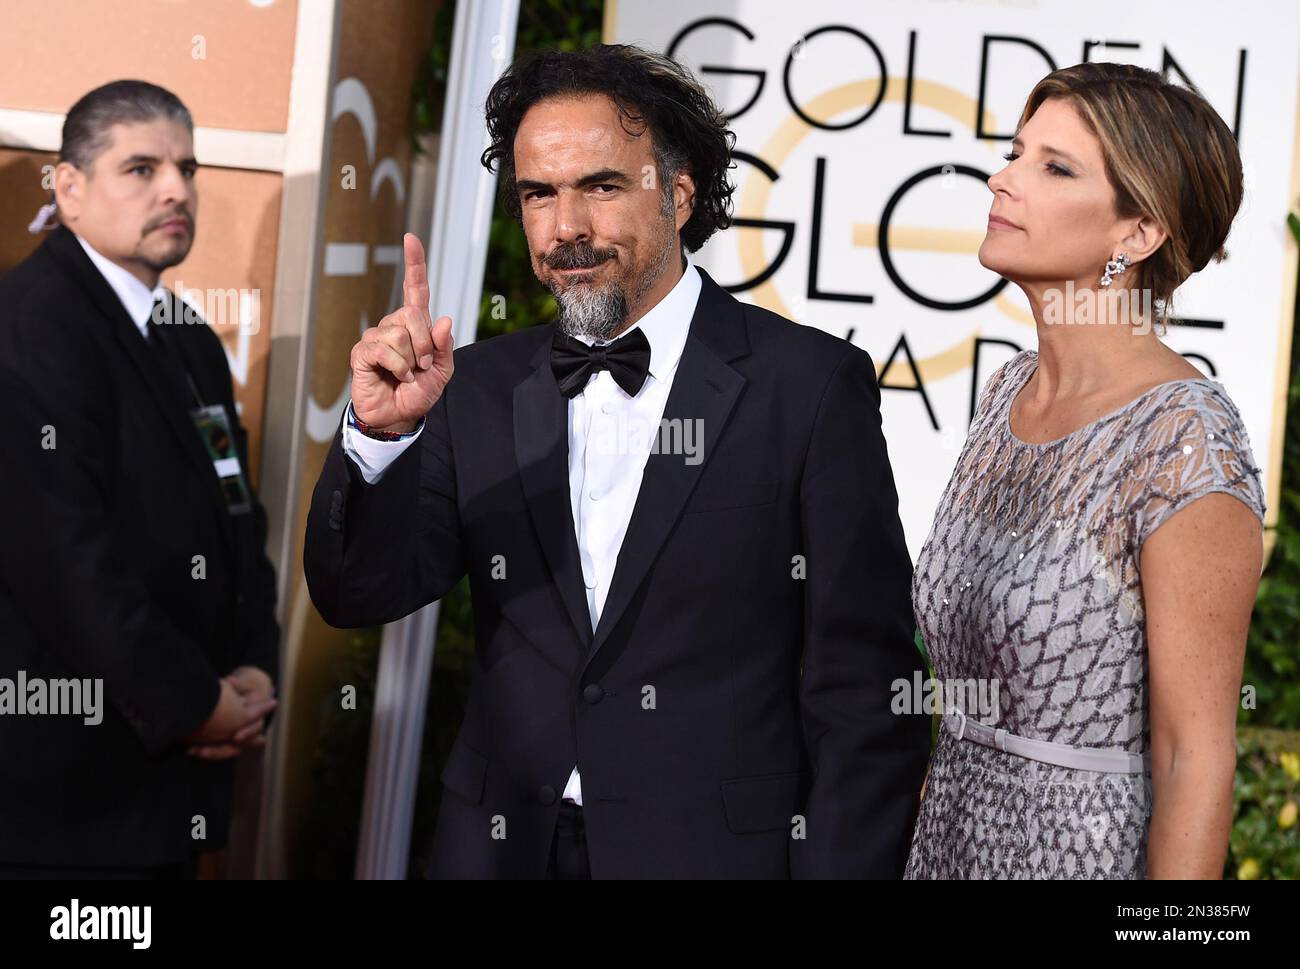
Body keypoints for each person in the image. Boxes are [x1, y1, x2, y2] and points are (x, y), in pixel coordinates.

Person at [304, 44, 927, 879]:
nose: (566, 227)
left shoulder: (808, 386)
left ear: (678, 193)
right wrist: (381, 438)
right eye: (539, 193)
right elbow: (357, 593)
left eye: (600, 187)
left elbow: (865, 692)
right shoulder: (473, 386)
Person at [905, 62, 1265, 879]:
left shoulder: (1184, 436)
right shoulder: (1005, 392)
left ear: (1138, 233)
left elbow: (1195, 757)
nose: (1002, 179)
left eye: (1055, 168)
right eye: (1015, 153)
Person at [0, 80, 279, 878]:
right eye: (141, 168)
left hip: (167, 792)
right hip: (63, 809)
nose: (175, 190)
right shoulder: (31, 326)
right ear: (69, 187)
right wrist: (193, 702)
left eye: (186, 169)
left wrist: (255, 670)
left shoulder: (189, 339)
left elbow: (238, 515)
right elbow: (65, 563)